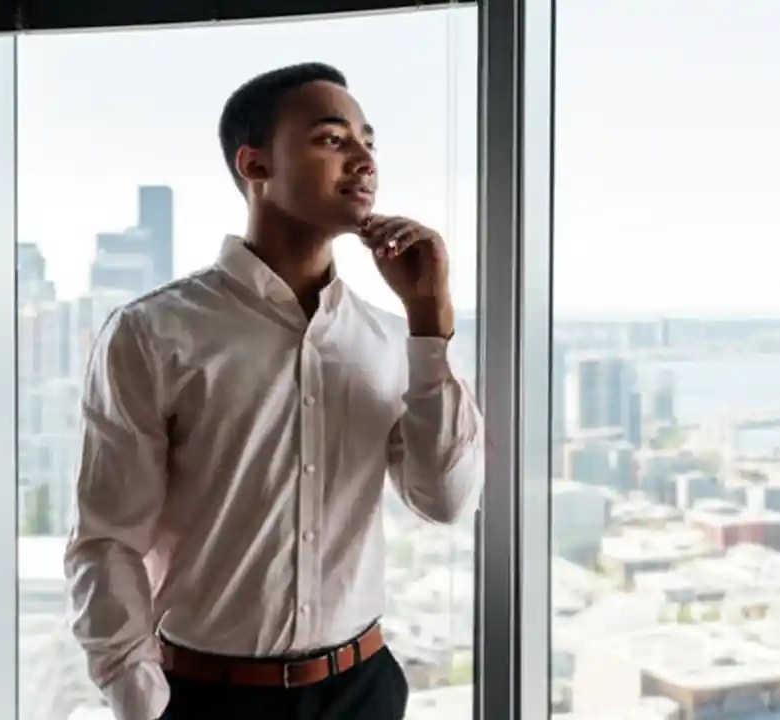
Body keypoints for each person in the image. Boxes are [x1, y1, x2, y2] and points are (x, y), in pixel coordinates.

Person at [65, 62, 484, 720]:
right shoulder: (155, 333)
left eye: (368, 141)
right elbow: (108, 540)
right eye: (331, 139)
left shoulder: (385, 338)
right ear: (255, 165)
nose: (364, 159)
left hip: (362, 691)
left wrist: (430, 323)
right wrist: (142, 702)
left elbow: (448, 499)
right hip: (204, 699)